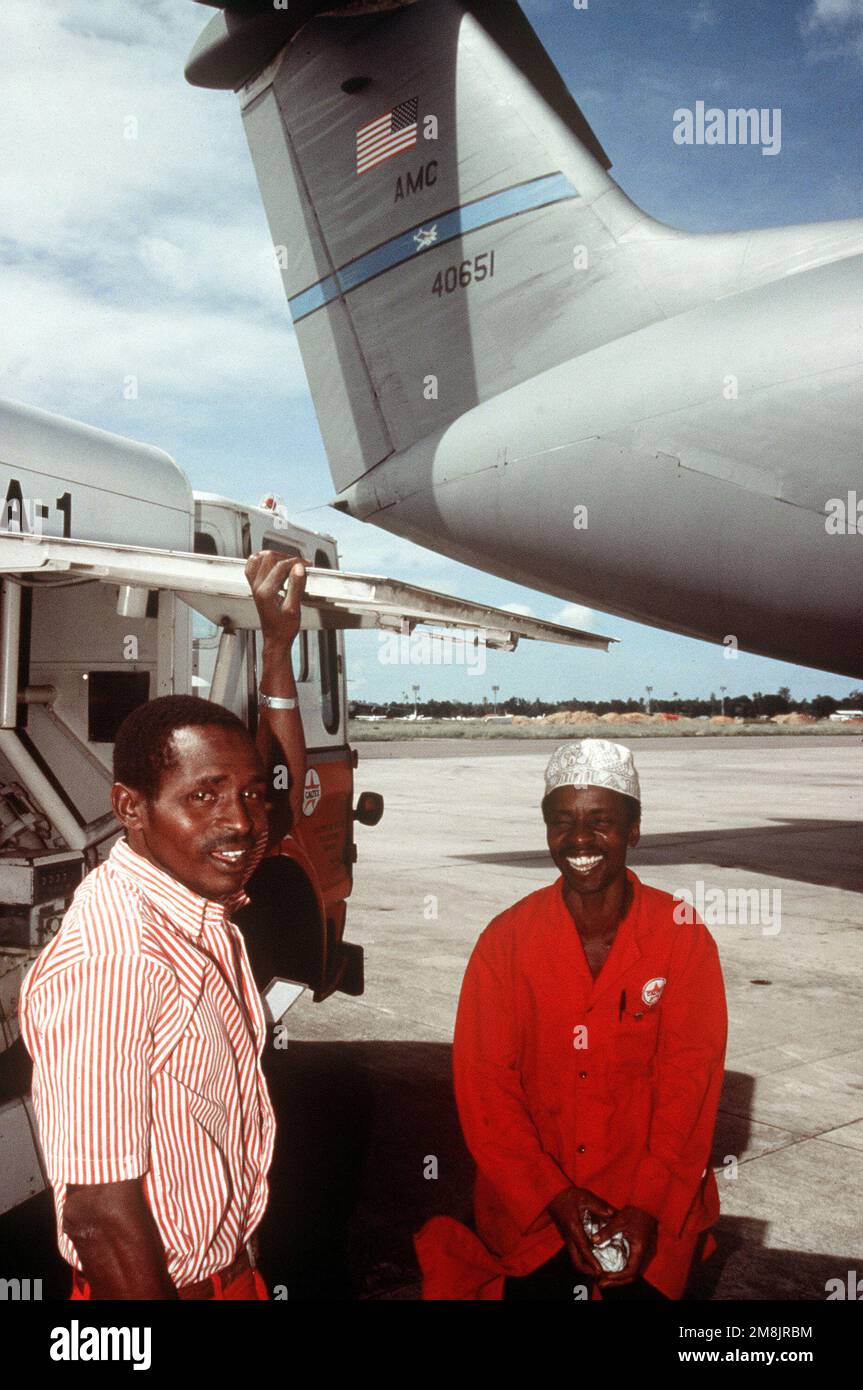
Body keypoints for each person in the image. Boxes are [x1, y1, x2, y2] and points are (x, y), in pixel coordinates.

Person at [18, 551, 306, 1300]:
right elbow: (98, 1216)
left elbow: (280, 793)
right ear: (130, 808)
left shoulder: (189, 893)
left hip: (229, 1276)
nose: (240, 821)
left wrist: (276, 648)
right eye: (203, 795)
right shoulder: (116, 962)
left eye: (246, 794)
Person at [415, 738, 728, 1300]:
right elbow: (486, 1088)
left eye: (600, 821)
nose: (580, 839)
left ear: (633, 829)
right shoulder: (506, 940)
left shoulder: (681, 933)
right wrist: (553, 1196)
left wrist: (648, 1204)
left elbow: (690, 1082)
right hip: (534, 1218)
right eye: (562, 822)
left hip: (651, 1214)